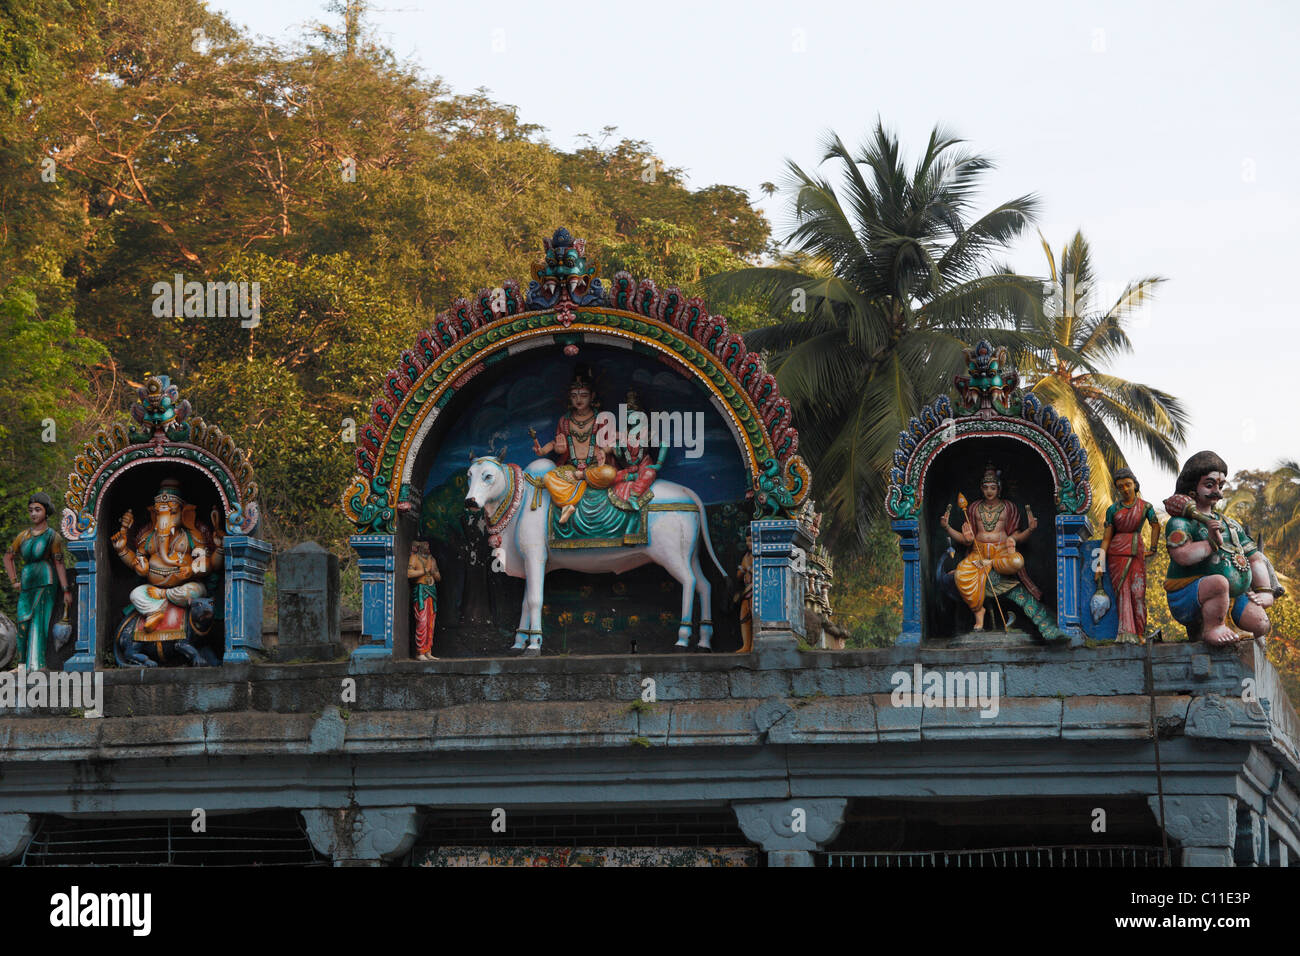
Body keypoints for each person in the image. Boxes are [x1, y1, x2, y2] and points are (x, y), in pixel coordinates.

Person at [1163, 450, 1277, 645]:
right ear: (1192, 488)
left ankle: (1250, 644)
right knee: (1219, 583)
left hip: (1235, 594)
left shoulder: (1230, 524)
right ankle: (1213, 628)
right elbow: (1182, 555)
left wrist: (1265, 591)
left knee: (1261, 623)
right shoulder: (1181, 523)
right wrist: (1211, 543)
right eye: (1209, 485)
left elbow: (1254, 557)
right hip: (1188, 595)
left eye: (1220, 485)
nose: (1217, 491)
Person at [111, 480, 222, 640]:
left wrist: (192, 569)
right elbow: (137, 561)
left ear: (185, 513)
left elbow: (208, 564)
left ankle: (163, 597)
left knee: (194, 592)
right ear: (154, 515)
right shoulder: (149, 537)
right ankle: (155, 611)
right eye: (159, 514)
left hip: (184, 587)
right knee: (135, 594)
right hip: (152, 588)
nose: (165, 518)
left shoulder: (192, 536)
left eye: (172, 513)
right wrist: (122, 550)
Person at [939, 463, 1042, 631]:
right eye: (986, 487)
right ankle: (979, 613)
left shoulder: (1009, 507)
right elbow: (966, 540)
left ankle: (991, 565)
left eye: (993, 487)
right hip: (977, 554)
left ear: (999, 489)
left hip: (1000, 553)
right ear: (981, 488)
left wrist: (1030, 530)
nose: (989, 491)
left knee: (1017, 562)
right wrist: (947, 528)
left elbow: (1015, 537)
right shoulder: (972, 508)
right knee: (960, 574)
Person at [531, 367, 616, 524]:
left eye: (584, 395)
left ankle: (581, 480)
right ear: (569, 398)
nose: (579, 400)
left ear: (592, 396)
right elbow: (557, 443)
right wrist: (548, 450)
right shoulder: (564, 421)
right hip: (571, 467)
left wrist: (604, 450)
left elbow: (612, 443)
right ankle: (566, 505)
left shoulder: (602, 418)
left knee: (610, 474)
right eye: (574, 396)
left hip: (595, 467)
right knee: (549, 477)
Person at [4, 492, 71, 670]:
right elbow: (8, 557)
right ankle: (22, 662)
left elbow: (58, 562)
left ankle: (37, 663)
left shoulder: (52, 536)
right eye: (31, 510)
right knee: (23, 621)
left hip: (45, 581)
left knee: (39, 622)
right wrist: (14, 581)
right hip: (27, 582)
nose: (33, 514)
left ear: (46, 512)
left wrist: (65, 589)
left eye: (37, 510)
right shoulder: (23, 536)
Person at [1096, 468, 1160, 644]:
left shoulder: (1145, 506)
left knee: (1138, 593)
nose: (1125, 489)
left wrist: (1153, 547)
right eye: (1120, 486)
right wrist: (1099, 565)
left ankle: (1140, 632)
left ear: (1135, 485)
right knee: (1122, 594)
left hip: (1136, 550)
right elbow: (1106, 539)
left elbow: (1156, 525)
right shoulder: (1112, 509)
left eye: (1128, 485)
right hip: (1116, 553)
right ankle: (1125, 634)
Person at [408, 541, 441, 660]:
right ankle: (420, 651)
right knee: (422, 621)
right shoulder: (414, 558)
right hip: (421, 591)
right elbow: (409, 573)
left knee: (430, 622)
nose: (428, 548)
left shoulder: (432, 559)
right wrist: (425, 571)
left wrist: (433, 572)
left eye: (428, 546)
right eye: (425, 546)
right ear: (420, 547)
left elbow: (438, 577)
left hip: (431, 591)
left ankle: (428, 650)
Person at [733, 530, 753, 653]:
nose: (748, 543)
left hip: (755, 591)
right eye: (747, 541)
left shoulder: (759, 556)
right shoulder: (746, 557)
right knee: (744, 617)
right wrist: (742, 571)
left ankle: (754, 645)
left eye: (750, 540)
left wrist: (749, 569)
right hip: (747, 592)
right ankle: (746, 645)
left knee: (755, 617)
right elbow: (739, 575)